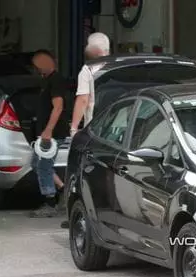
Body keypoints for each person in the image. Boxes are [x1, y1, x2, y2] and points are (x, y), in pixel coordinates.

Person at [60, 32, 110, 228]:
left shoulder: (87, 70)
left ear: (93, 50)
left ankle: (81, 217)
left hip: (96, 131)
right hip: (122, 131)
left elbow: (82, 100)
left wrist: (74, 129)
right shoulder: (119, 67)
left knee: (83, 173)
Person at [30, 49, 69, 218]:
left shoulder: (56, 81)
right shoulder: (46, 81)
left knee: (44, 166)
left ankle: (50, 202)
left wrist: (48, 130)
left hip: (53, 133)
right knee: (36, 164)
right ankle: (63, 190)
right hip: (46, 133)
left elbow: (58, 106)